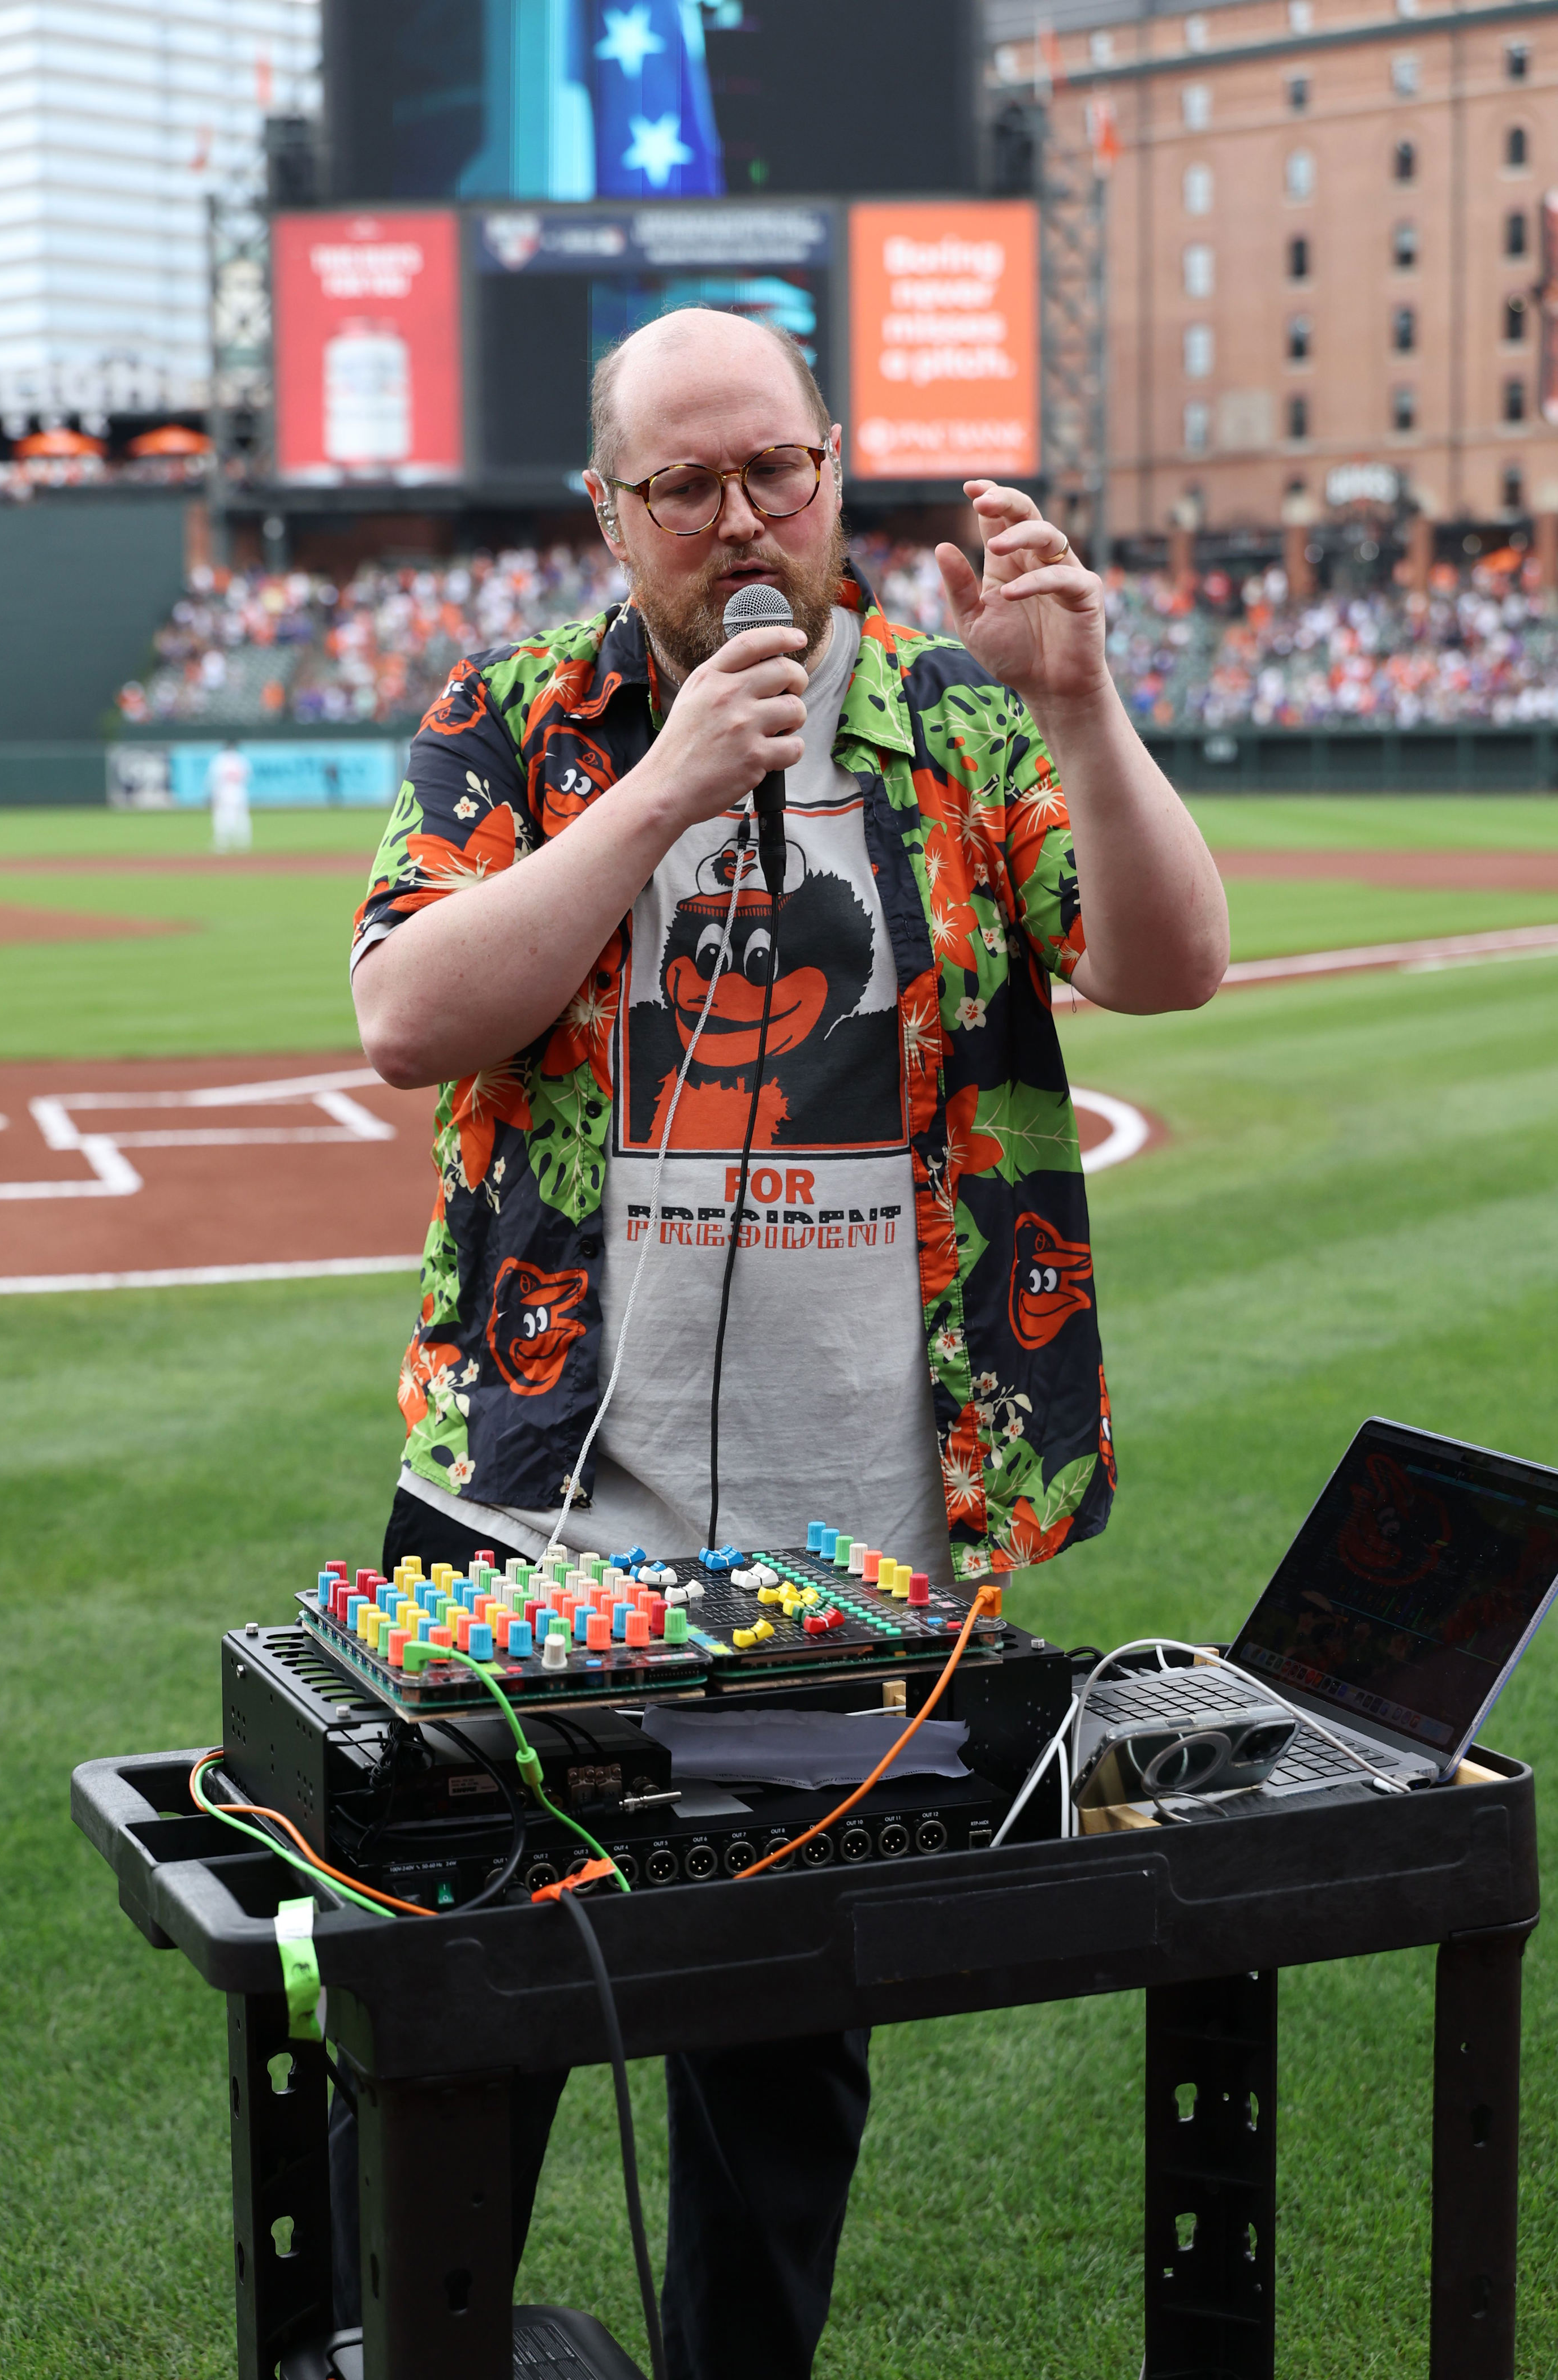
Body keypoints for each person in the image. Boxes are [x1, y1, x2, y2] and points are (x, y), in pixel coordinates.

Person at [347, 307, 1228, 2377]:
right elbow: (408, 1016)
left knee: (775, 2094)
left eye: (783, 472)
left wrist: (1084, 712)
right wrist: (660, 791)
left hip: (859, 1541)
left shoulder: (953, 710)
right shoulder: (523, 712)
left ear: (836, 463)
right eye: (686, 487)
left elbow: (1170, 964)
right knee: (456, 2049)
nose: (745, 523)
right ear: (607, 507)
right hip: (529, 1512)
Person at [207, 738, 252, 851]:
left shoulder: (220, 758)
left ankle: (222, 844)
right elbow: (248, 776)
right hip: (240, 791)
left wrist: (212, 793)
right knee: (242, 817)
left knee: (222, 817)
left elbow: (213, 777)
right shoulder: (241, 758)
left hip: (224, 791)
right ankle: (243, 844)